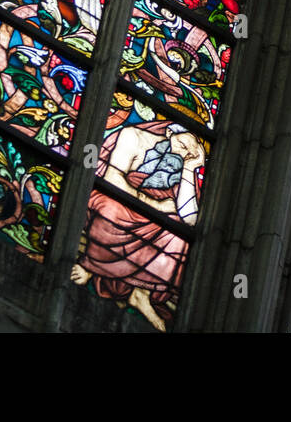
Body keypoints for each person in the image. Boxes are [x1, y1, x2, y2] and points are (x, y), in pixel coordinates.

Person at [71, 120, 205, 332]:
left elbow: (189, 218)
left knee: (179, 238)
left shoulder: (181, 167)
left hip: (150, 217)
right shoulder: (132, 136)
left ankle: (141, 292)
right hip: (119, 200)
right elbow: (113, 179)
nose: (184, 152)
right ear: (170, 132)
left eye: (190, 152)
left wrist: (190, 167)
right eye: (183, 144)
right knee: (110, 211)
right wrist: (156, 206)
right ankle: (92, 265)